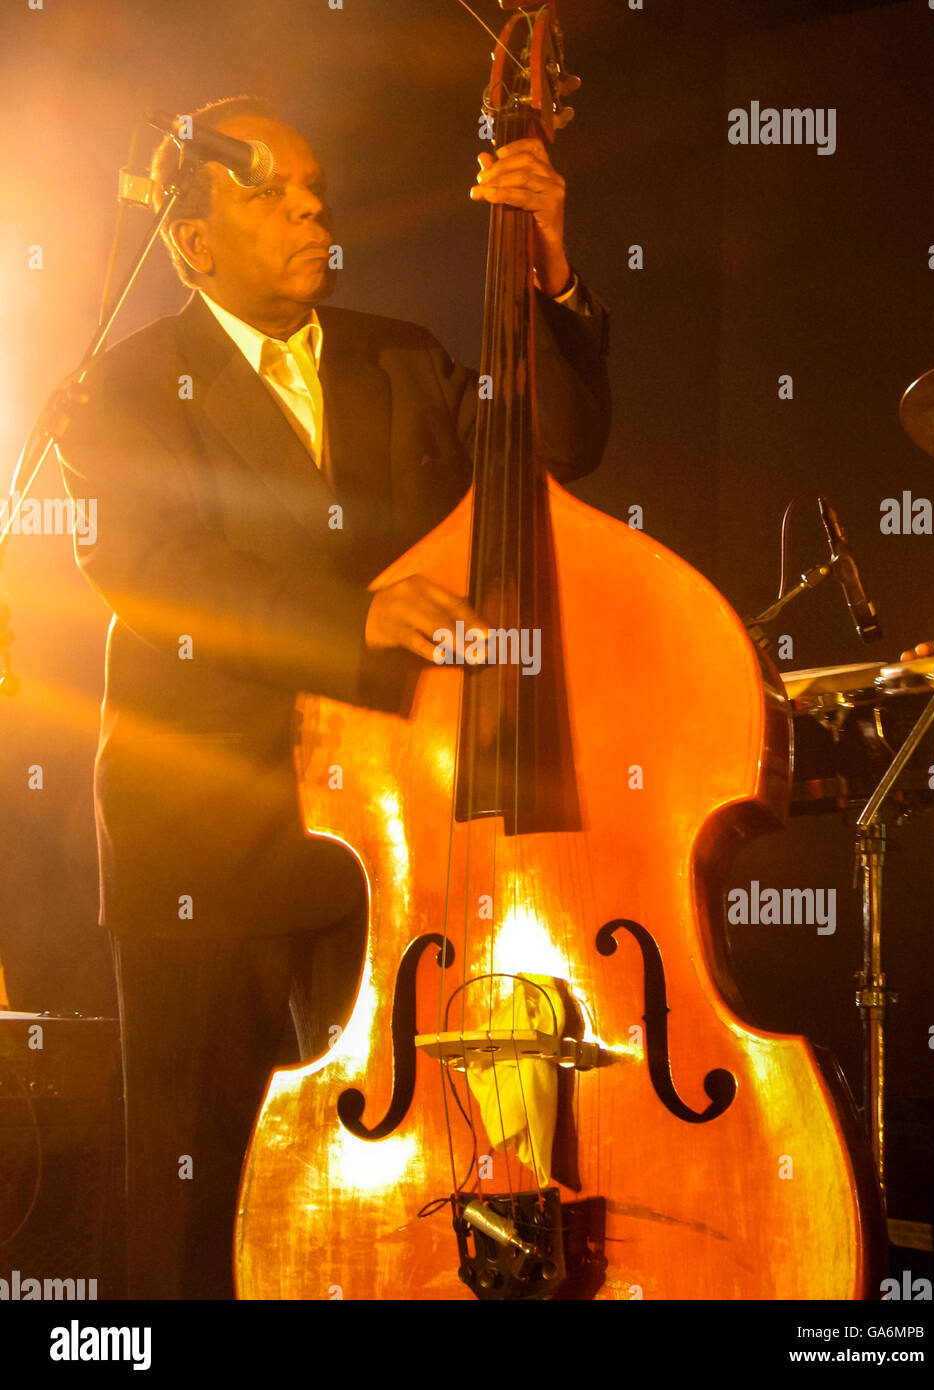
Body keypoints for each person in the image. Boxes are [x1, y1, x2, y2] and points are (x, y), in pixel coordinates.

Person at [57, 96, 610, 1299]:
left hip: (387, 843)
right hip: (211, 839)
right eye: (270, 190)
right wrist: (350, 620)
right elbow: (157, 576)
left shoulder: (401, 349)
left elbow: (554, 453)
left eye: (313, 183)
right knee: (186, 1202)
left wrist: (550, 275)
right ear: (192, 240)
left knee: (371, 1193)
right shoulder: (121, 388)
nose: (312, 206)